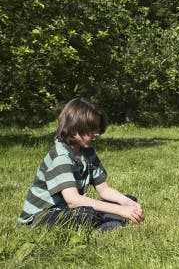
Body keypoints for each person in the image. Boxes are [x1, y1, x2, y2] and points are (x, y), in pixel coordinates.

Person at [19, 98, 144, 231]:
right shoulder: (60, 158)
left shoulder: (88, 152)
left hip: (68, 209)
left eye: (98, 128)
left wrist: (127, 203)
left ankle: (109, 224)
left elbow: (104, 190)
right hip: (41, 217)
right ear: (74, 129)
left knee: (127, 198)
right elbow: (73, 200)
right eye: (92, 129)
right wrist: (119, 210)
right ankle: (109, 223)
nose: (96, 134)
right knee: (85, 214)